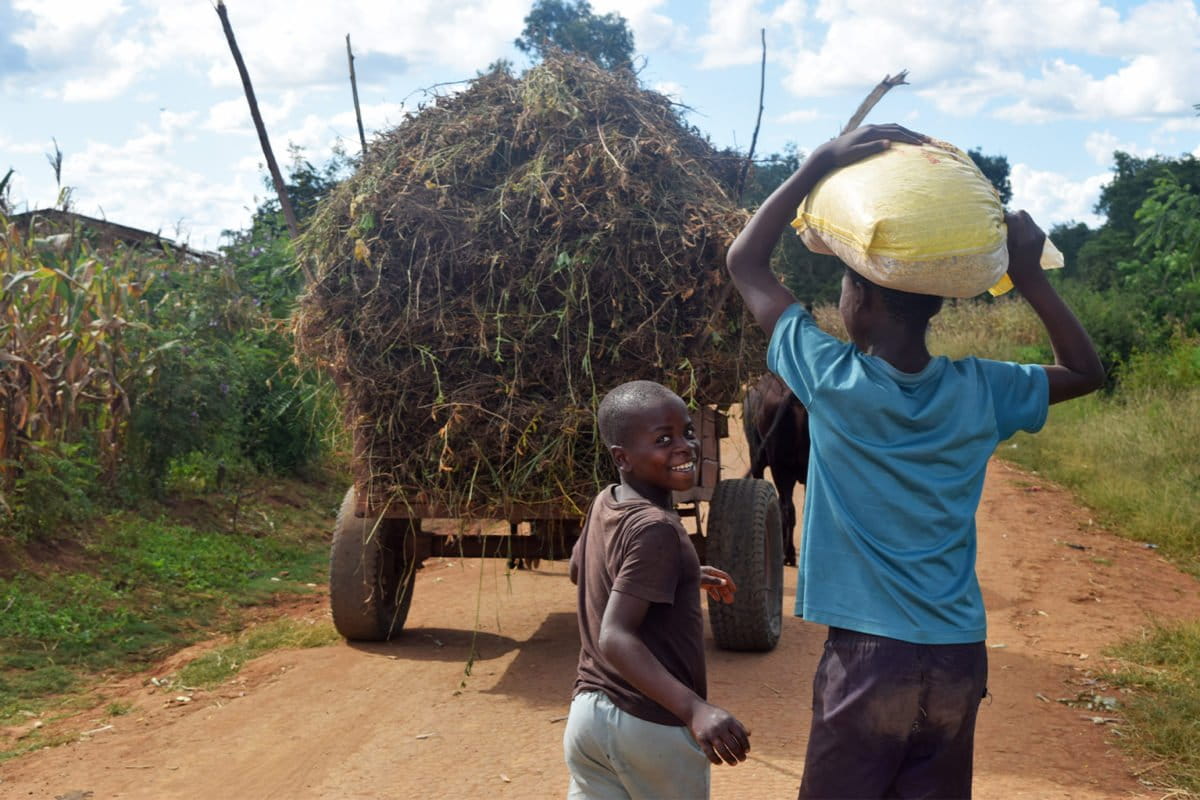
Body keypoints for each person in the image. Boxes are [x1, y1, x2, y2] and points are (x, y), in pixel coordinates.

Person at [725, 124, 1106, 799]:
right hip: (959, 656)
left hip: (870, 659)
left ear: (861, 302)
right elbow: (1085, 369)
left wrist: (817, 162)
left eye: (847, 287)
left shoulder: (830, 378)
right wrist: (1028, 280)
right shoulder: (981, 389)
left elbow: (745, 265)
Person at [564, 379, 750, 799]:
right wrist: (695, 709)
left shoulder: (606, 501)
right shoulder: (657, 527)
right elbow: (614, 636)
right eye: (663, 439)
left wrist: (679, 574)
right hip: (648, 724)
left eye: (687, 431)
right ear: (622, 457)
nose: (684, 446)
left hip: (588, 720)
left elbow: (581, 567)